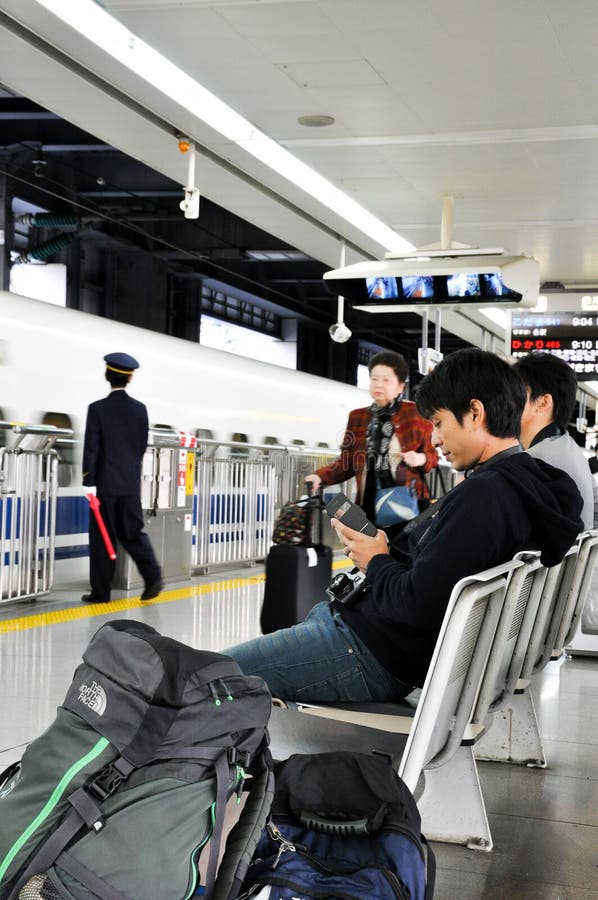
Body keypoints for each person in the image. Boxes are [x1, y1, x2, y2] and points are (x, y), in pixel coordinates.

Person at [225, 349, 583, 704]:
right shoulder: (533, 485)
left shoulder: (486, 496)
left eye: (439, 424)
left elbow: (415, 605)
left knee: (203, 674)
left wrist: (376, 559)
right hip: (371, 639)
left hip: (367, 650)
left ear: (474, 413)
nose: (437, 440)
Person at [305, 350, 438, 538]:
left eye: (386, 380)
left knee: (407, 554)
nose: (378, 385)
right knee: (373, 553)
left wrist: (420, 458)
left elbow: (433, 457)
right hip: (369, 499)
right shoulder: (358, 417)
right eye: (374, 379)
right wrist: (320, 477)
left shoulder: (416, 414)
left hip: (408, 501)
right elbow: (347, 462)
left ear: (400, 386)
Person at [81, 352, 163, 604]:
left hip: (105, 486)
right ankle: (152, 577)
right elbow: (140, 447)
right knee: (132, 533)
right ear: (130, 378)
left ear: (107, 375)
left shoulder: (97, 409)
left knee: (101, 539)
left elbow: (92, 447)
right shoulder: (140, 410)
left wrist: (89, 481)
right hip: (129, 484)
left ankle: (101, 592)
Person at [513, 352, 594, 530]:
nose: (507, 400)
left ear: (543, 403)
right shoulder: (568, 448)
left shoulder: (535, 463)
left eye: (515, 392)